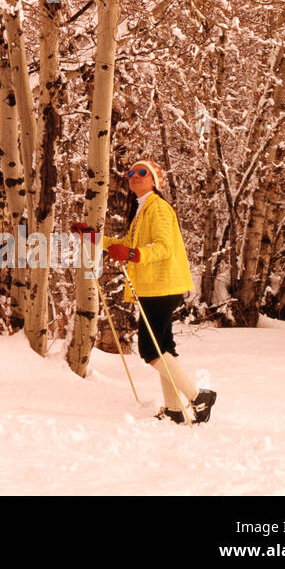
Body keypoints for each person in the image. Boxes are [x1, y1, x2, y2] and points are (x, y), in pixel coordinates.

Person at [76, 158, 217, 424]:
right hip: (155, 287)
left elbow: (163, 247)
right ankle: (175, 410)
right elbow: (126, 244)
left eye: (143, 172)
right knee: (164, 347)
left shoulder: (159, 208)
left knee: (150, 351)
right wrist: (92, 237)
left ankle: (199, 396)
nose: (135, 176)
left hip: (162, 286)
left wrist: (132, 253)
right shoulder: (142, 210)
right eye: (131, 173)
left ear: (154, 180)